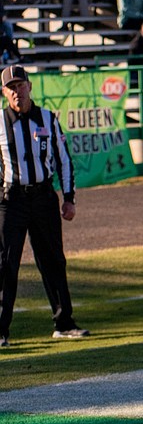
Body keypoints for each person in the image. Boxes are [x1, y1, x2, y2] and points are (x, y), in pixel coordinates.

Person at [0, 65, 89, 347]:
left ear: (30, 86)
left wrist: (69, 198)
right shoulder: (0, 123)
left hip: (42, 198)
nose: (17, 92)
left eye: (20, 85)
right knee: (5, 265)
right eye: (10, 87)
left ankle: (64, 323)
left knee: (53, 261)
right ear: (4, 93)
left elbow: (63, 159)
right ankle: (1, 331)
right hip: (10, 199)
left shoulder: (48, 119)